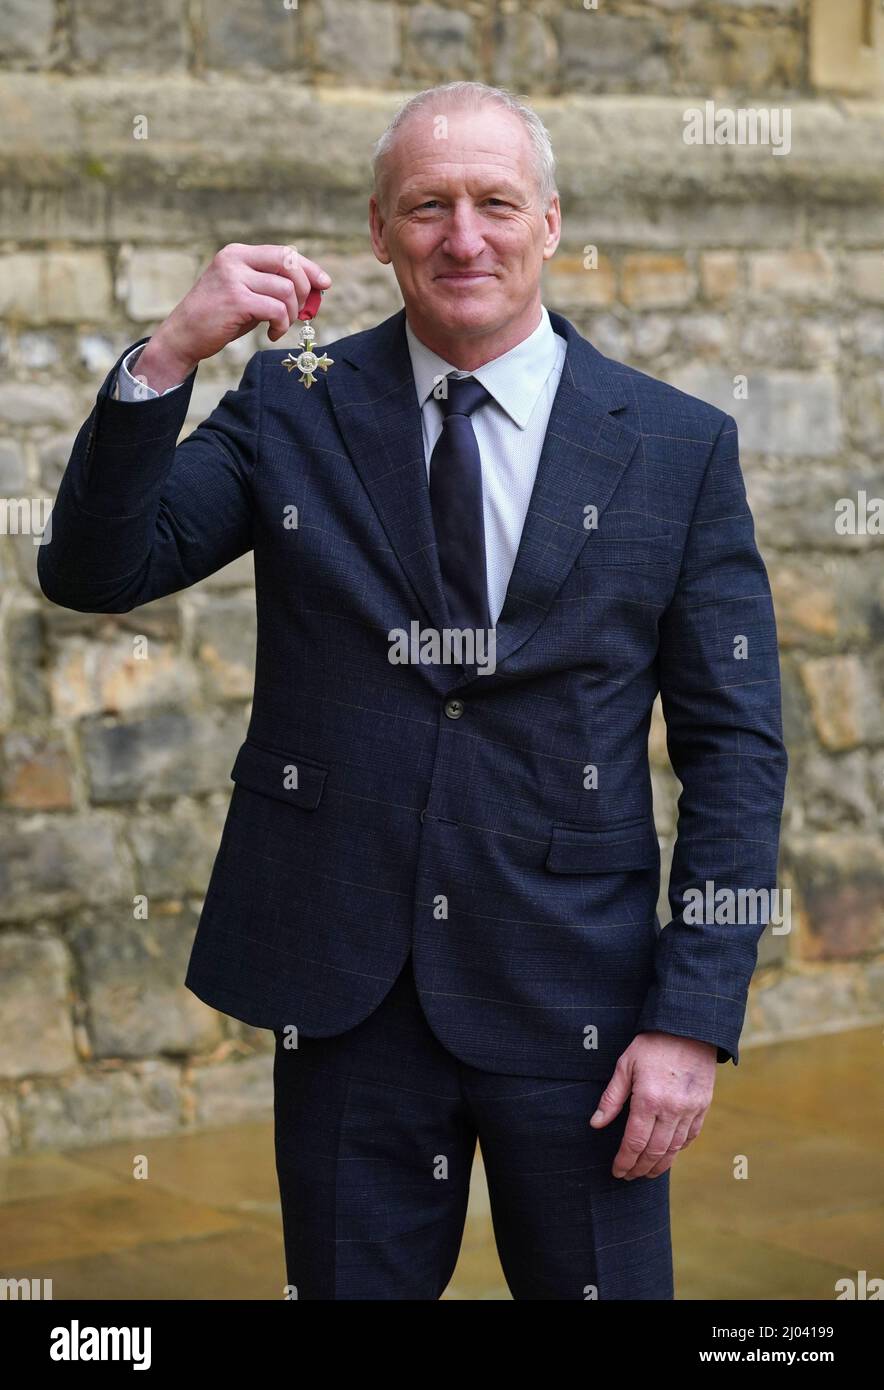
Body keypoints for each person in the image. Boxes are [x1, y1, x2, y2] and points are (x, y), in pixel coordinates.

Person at [38, 81, 787, 1300]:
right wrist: (170, 352)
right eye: (426, 206)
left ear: (549, 221)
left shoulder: (674, 445)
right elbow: (95, 568)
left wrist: (692, 1014)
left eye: (495, 202)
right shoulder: (294, 401)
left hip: (579, 1004)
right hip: (346, 999)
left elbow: (736, 749)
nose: (463, 236)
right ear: (378, 232)